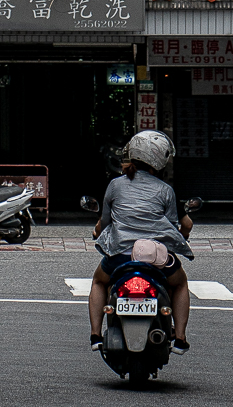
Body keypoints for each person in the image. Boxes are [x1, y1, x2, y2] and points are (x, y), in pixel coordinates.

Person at [87, 130, 194, 354]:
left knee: (98, 282)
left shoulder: (115, 185)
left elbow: (104, 222)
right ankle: (181, 338)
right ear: (160, 160)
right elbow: (173, 225)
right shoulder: (166, 190)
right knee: (180, 283)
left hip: (119, 257)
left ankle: (96, 335)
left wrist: (97, 232)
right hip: (156, 258)